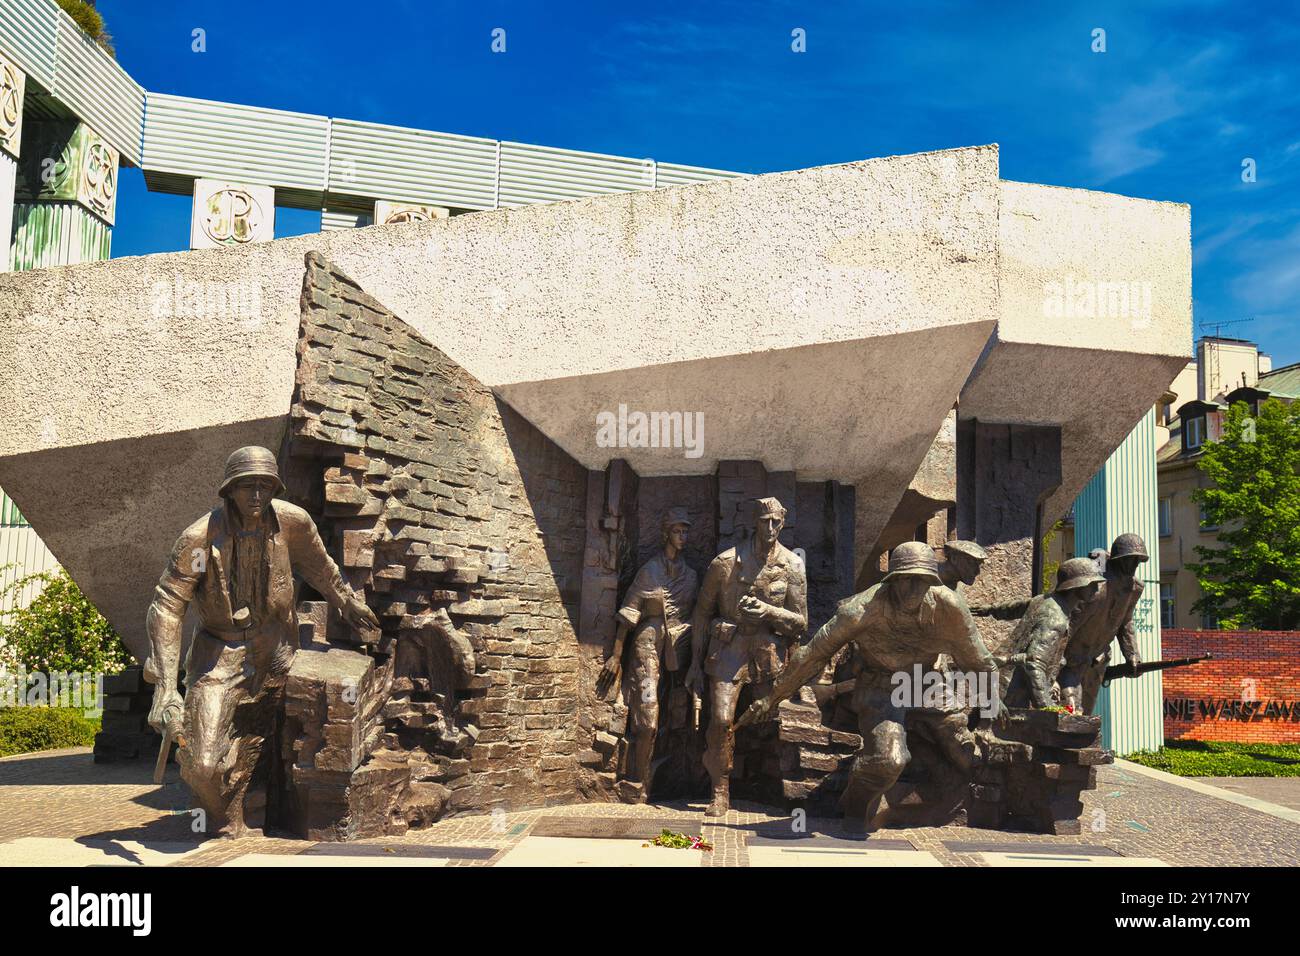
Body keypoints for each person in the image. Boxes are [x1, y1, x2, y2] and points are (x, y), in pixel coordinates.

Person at [143, 446, 379, 835]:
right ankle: (222, 812)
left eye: (264, 486)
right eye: (247, 486)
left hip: (276, 645)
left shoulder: (292, 523)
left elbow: (320, 568)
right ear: (229, 490)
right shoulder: (200, 539)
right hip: (218, 654)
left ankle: (263, 805)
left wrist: (347, 603)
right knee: (201, 765)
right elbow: (167, 607)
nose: (256, 495)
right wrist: (167, 688)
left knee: (286, 729)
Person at [738, 542, 999, 830]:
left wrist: (992, 710)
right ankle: (857, 807)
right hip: (881, 686)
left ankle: (956, 806)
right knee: (889, 759)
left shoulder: (949, 607)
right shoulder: (862, 609)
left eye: (923, 581)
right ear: (893, 580)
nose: (915, 589)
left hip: (928, 684)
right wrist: (772, 698)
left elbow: (980, 661)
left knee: (965, 750)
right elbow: (812, 654)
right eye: (908, 579)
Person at [685, 497, 807, 816]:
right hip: (729, 650)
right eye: (765, 521)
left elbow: (800, 622)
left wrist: (769, 611)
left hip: (770, 655)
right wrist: (695, 665)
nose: (770, 527)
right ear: (754, 521)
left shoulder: (793, 565)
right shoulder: (724, 563)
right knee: (721, 720)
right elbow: (700, 614)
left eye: (776, 521)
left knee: (773, 722)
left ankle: (781, 789)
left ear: (783, 522)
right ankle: (720, 790)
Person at [597, 507, 698, 800]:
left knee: (675, 715)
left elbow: (697, 617)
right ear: (666, 533)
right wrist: (616, 655)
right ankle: (634, 782)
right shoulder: (650, 571)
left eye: (686, 531)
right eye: (678, 531)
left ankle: (657, 780)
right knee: (648, 714)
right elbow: (628, 614)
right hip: (646, 646)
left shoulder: (691, 576)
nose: (683, 536)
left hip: (678, 649)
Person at [1059, 533, 1146, 713]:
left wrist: (1132, 655)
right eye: (1130, 559)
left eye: (1138, 560)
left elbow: (1126, 622)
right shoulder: (1096, 585)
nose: (1135, 565)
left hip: (1097, 660)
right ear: (1117, 560)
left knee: (1087, 714)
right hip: (1071, 659)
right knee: (1069, 711)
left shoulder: (1135, 588)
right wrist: (1056, 656)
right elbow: (1069, 621)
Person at [1002, 557, 1105, 708]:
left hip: (1002, 690)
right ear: (1077, 585)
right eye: (1092, 585)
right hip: (1006, 697)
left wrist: (1051, 682)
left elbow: (1007, 609)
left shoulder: (1048, 601)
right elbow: (1033, 664)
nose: (1096, 590)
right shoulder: (1056, 618)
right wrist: (1048, 707)